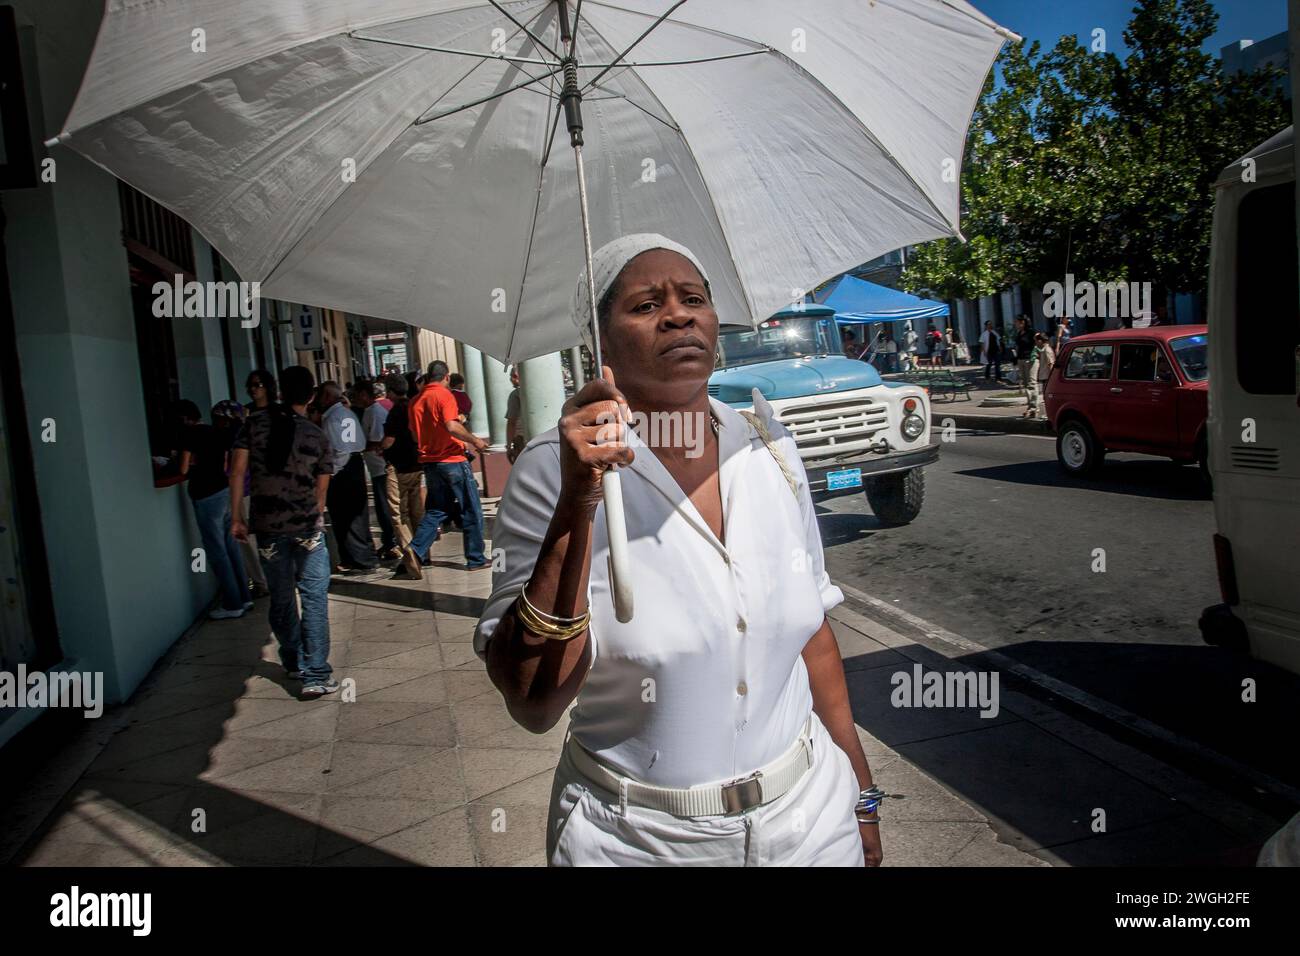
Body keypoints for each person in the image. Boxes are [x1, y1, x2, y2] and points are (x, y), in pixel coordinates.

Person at [476, 233, 883, 868]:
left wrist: (861, 792)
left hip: (811, 821)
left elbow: (813, 633)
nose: (678, 314)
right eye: (645, 305)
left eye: (694, 298)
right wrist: (577, 505)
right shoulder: (548, 472)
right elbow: (534, 701)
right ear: (599, 343)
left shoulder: (767, 443)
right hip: (637, 841)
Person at [230, 366, 339, 696]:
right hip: (307, 528)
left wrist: (236, 517)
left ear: (279, 392)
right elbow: (322, 488)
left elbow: (236, 472)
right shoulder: (315, 434)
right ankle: (316, 673)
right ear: (311, 396)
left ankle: (293, 661)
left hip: (267, 528)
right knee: (314, 599)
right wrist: (314, 515)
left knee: (281, 598)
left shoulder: (253, 426)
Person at [401, 360, 490, 576]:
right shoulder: (444, 395)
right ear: (446, 377)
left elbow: (415, 435)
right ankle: (476, 558)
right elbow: (451, 426)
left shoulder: (416, 401)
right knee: (471, 509)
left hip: (430, 463)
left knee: (436, 510)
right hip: (452, 460)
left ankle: (415, 549)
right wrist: (475, 440)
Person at [177, 400, 251, 619]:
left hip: (205, 495)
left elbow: (182, 468)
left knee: (216, 550)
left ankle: (232, 603)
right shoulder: (218, 433)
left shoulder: (189, 435)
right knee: (231, 547)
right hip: (224, 490)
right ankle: (245, 597)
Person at [319, 381, 377, 571]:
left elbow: (342, 448)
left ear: (327, 397)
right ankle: (360, 557)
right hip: (352, 465)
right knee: (355, 515)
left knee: (348, 517)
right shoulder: (344, 413)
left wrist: (333, 472)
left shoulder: (335, 417)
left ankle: (359, 559)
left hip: (344, 469)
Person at [380, 374, 427, 564]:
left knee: (399, 512)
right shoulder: (415, 406)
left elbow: (389, 440)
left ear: (391, 391)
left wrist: (380, 447)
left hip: (398, 468)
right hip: (419, 464)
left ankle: (411, 557)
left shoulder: (396, 411)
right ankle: (424, 552)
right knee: (418, 512)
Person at [353, 381, 400, 561]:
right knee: (382, 508)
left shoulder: (375, 412)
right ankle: (389, 542)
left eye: (357, 395)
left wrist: (361, 446)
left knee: (385, 508)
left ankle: (392, 543)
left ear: (365, 394)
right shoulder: (369, 412)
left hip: (381, 469)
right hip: (375, 469)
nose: (355, 399)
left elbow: (380, 440)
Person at [1025, 333, 1055, 420]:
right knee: (1046, 398)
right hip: (1045, 377)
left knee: (1048, 398)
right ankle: (1048, 414)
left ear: (1040, 341)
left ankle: (1049, 415)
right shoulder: (1043, 349)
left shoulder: (1047, 350)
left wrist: (1051, 378)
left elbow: (1051, 364)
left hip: (1047, 377)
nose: (1036, 343)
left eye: (1036, 341)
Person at [505, 366, 527, 463]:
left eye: (512, 376)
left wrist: (509, 446)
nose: (511, 379)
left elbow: (512, 422)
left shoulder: (515, 395)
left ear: (517, 376)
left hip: (522, 440)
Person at [1014, 316, 1035, 396]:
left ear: (1022, 323)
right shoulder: (1019, 333)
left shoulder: (1031, 332)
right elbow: (1017, 345)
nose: (1015, 324)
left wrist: (1034, 355)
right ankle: (1029, 401)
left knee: (1030, 381)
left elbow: (1036, 344)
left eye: (1017, 322)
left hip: (1028, 358)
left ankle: (1034, 403)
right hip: (1020, 359)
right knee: (1025, 381)